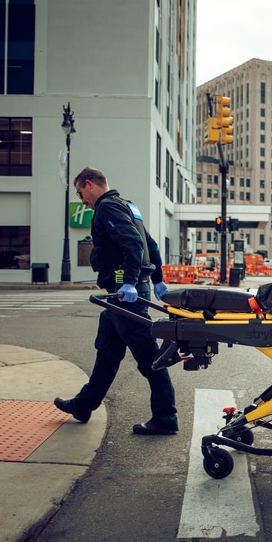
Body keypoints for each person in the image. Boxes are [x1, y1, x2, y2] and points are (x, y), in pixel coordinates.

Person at [54, 167, 178, 436]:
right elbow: (151, 245)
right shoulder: (128, 206)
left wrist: (131, 282)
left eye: (80, 193)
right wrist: (156, 278)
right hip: (120, 295)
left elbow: (134, 243)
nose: (82, 200)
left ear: (89, 184)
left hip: (125, 294)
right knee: (107, 351)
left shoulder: (107, 207)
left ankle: (165, 417)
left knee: (148, 356)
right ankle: (85, 404)